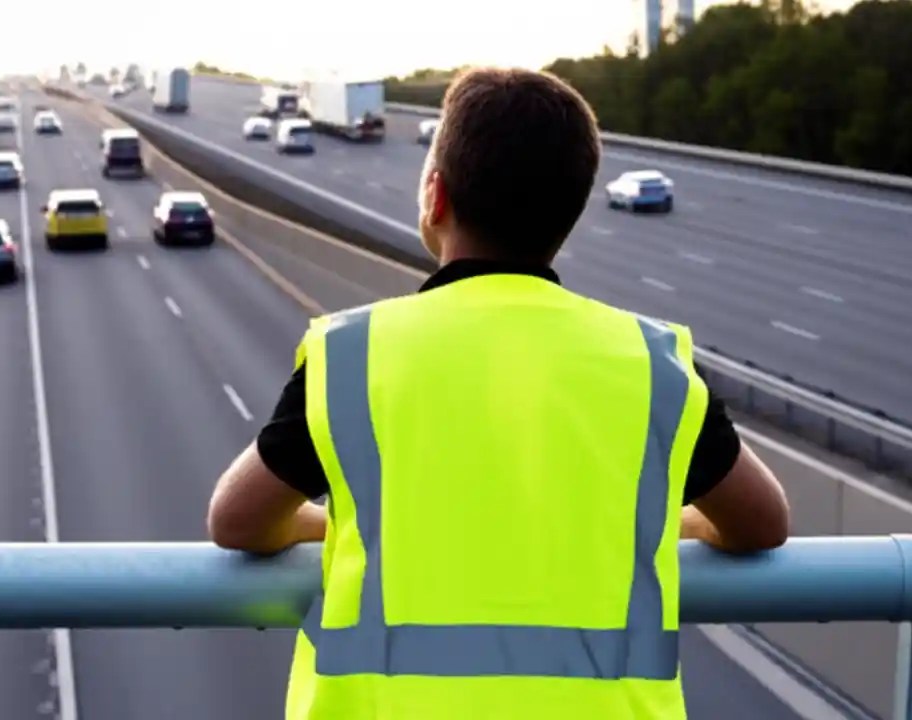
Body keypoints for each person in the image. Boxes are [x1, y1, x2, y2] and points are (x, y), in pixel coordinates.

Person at [208, 67, 790, 719]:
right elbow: (763, 522)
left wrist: (344, 526)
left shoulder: (352, 354)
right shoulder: (652, 364)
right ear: (567, 216)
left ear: (435, 197)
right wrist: (666, 527)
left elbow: (237, 520)